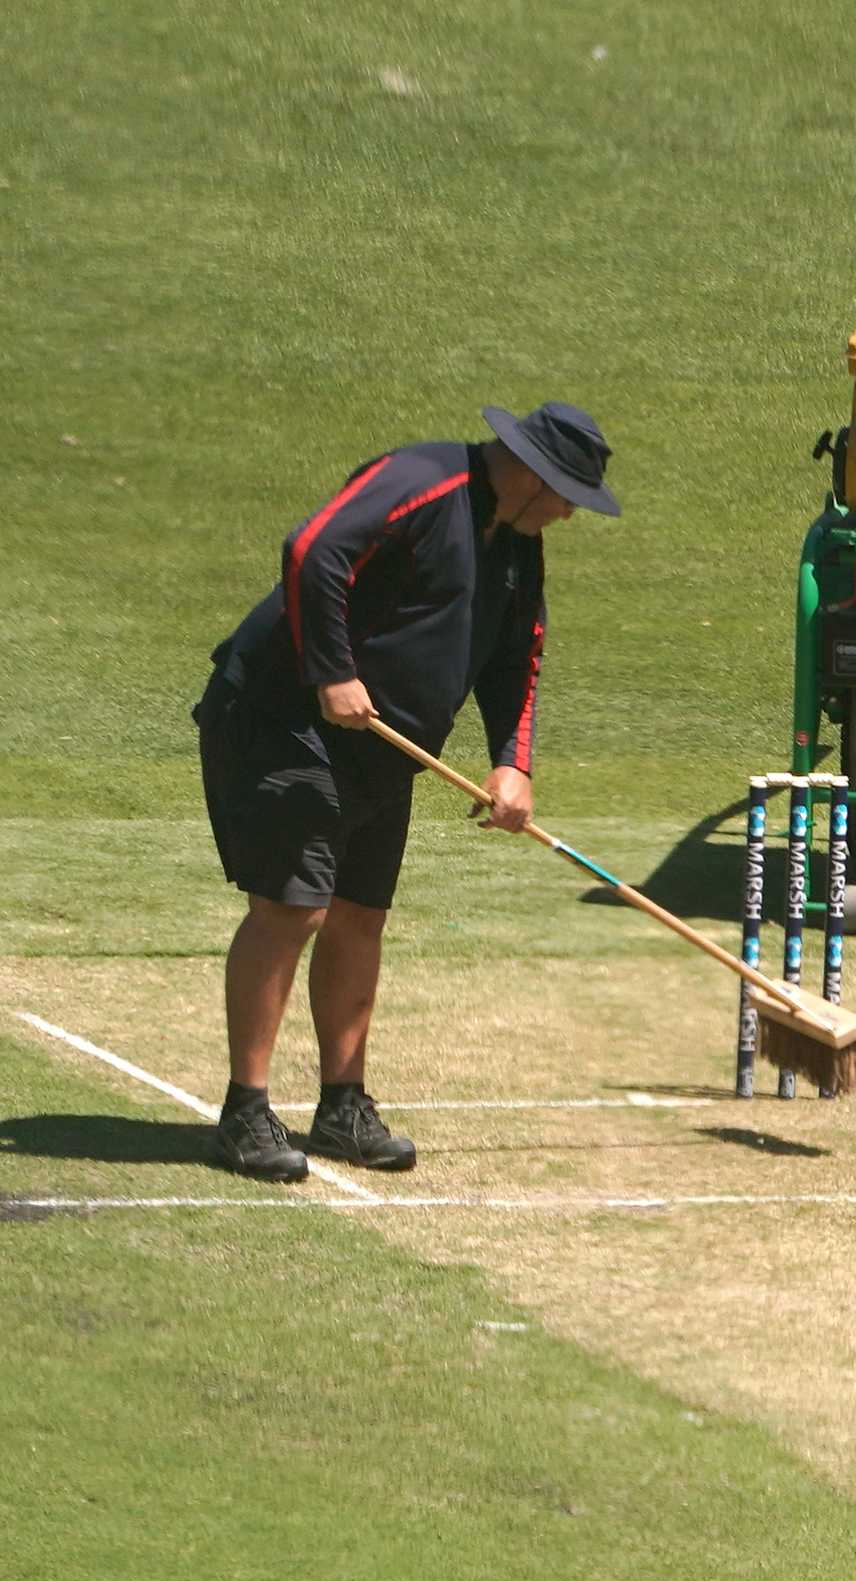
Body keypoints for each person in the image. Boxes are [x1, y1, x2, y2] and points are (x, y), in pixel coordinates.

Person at [195, 402, 620, 1181]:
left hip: (386, 752)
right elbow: (313, 549)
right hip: (284, 719)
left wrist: (511, 763)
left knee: (361, 915)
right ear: (530, 472)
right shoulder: (422, 479)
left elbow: (519, 650)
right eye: (565, 494)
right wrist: (331, 671)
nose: (566, 512)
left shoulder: (519, 545)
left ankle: (341, 1107)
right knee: (294, 907)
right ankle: (244, 1113)